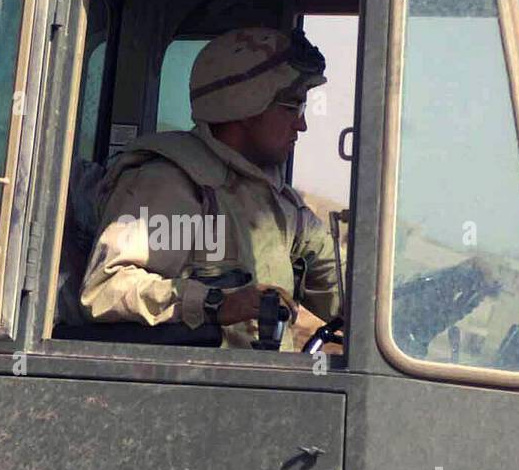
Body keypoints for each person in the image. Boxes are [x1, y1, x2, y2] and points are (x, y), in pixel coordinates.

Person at [79, 26, 341, 350]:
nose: (301, 124)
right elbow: (106, 288)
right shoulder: (178, 184)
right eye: (292, 107)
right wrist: (214, 303)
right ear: (244, 104)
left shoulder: (277, 205)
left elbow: (339, 288)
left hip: (262, 390)